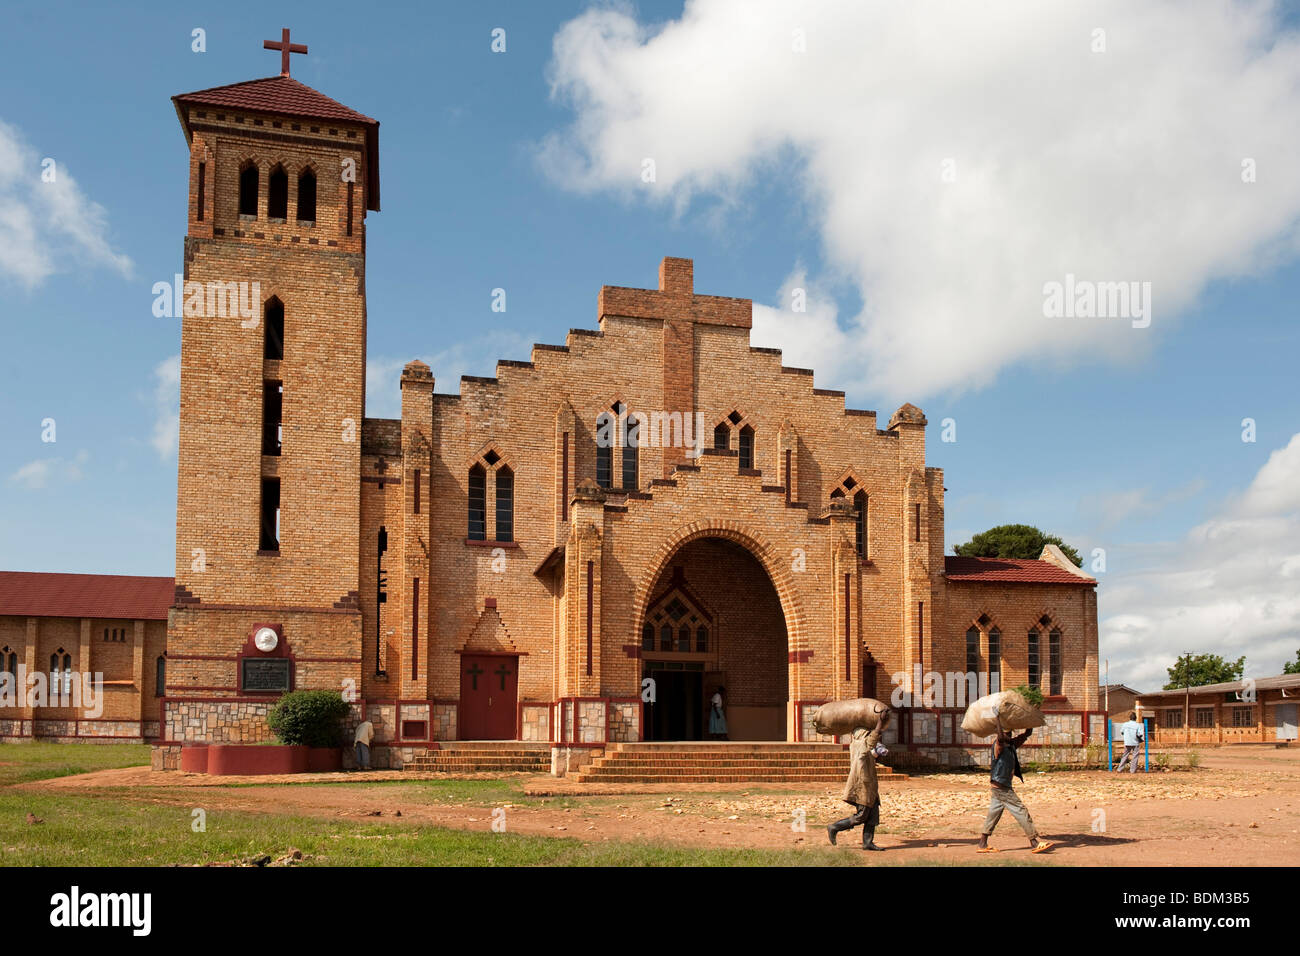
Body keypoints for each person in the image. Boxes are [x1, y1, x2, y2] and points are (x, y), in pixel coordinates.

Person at [977, 725, 1055, 853]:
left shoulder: (1011, 745)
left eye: (1010, 733)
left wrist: (1030, 721)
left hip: (999, 787)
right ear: (1001, 734)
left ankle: (982, 844)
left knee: (993, 814)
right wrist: (998, 719)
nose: (1009, 735)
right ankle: (1034, 842)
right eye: (1006, 733)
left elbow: (1026, 734)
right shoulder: (999, 746)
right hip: (1002, 787)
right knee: (1021, 810)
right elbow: (1001, 738)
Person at [827, 720, 888, 850]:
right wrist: (879, 723)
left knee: (873, 815)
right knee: (862, 815)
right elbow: (871, 742)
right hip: (863, 785)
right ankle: (835, 827)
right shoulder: (860, 744)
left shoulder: (859, 745)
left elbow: (871, 748)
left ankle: (868, 843)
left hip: (870, 785)